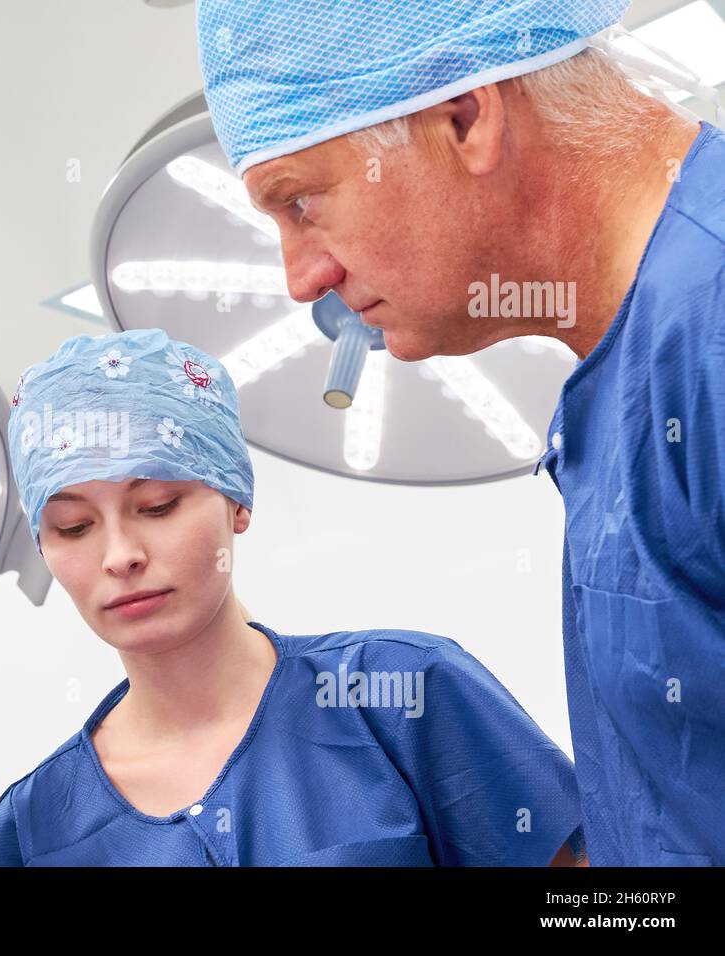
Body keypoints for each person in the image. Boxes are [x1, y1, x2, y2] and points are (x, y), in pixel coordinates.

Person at [197, 0, 725, 865]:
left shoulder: (709, 327)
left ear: (464, 116)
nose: (301, 280)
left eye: (300, 202)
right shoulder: (625, 382)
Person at [0, 328, 584, 866]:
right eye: (73, 527)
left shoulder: (400, 694)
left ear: (236, 502)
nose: (120, 554)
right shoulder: (35, 830)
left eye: (157, 505)